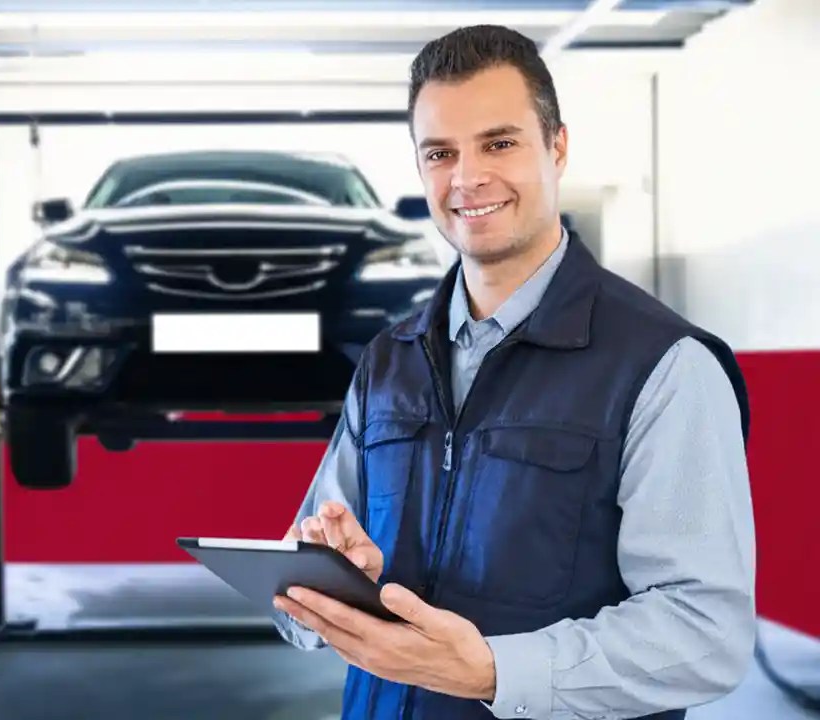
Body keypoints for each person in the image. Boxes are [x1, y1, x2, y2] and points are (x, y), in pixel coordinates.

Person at [271, 24, 756, 720]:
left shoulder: (664, 367)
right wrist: (335, 577)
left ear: (557, 146)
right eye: (441, 152)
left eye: (499, 143)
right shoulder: (387, 361)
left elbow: (705, 634)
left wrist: (496, 672)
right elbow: (297, 601)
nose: (467, 178)